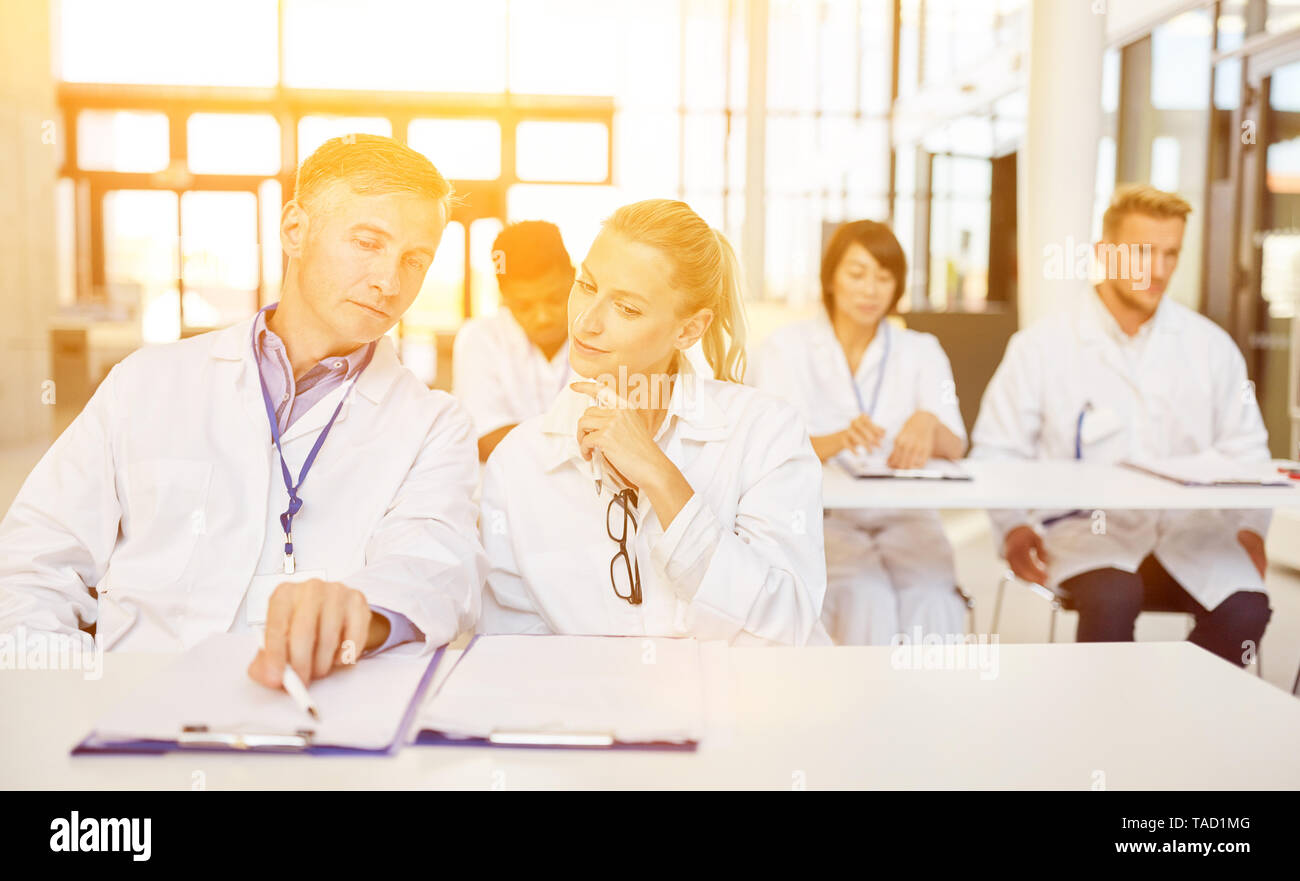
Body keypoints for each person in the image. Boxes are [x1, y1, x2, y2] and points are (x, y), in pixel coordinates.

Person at [0, 134, 487, 689]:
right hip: (132, 717)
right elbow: (34, 561)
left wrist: (365, 613)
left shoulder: (433, 424)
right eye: (367, 242)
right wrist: (57, 695)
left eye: (415, 260)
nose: (390, 282)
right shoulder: (147, 382)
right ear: (294, 230)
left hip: (317, 717)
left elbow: (437, 567)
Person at [477, 199, 828, 645]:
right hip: (590, 712)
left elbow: (786, 623)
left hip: (735, 707)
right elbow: (513, 648)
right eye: (586, 285)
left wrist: (660, 476)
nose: (586, 321)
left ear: (688, 331)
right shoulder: (518, 462)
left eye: (626, 308)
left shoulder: (765, 431)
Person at [970, 183, 1272, 666]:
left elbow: (1249, 451)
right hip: (1087, 535)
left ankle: (1181, 722)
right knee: (1113, 596)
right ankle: (1105, 728)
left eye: (1170, 254)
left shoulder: (1210, 347)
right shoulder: (1043, 347)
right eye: (1142, 252)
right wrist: (1013, 528)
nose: (1158, 270)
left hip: (1190, 534)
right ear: (1104, 253)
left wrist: (1251, 530)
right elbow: (995, 452)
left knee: (1246, 609)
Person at [749, 220, 968, 645]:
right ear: (830, 277)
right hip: (825, 519)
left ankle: (935, 706)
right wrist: (837, 440)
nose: (870, 289)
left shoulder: (920, 350)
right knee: (866, 599)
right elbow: (766, 450)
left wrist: (927, 420)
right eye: (857, 274)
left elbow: (955, 445)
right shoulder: (784, 348)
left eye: (884, 278)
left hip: (908, 517)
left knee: (932, 599)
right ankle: (870, 710)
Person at [453, 221, 575, 461]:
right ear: (503, 294)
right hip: (507, 495)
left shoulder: (612, 334)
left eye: (555, 299)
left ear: (573, 277)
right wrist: (580, 444)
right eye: (524, 306)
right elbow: (486, 439)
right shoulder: (480, 338)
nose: (543, 317)